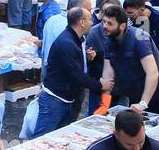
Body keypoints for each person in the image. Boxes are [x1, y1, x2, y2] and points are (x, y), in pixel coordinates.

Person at [94, 2, 159, 117]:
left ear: (122, 26)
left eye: (109, 23)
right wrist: (104, 105)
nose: (105, 26)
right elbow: (108, 77)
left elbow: (152, 73)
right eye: (104, 22)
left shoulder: (140, 37)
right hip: (136, 97)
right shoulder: (109, 41)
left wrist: (143, 103)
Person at [38, 7, 110, 137]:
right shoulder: (67, 43)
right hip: (55, 101)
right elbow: (77, 75)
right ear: (81, 22)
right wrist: (100, 85)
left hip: (66, 99)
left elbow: (71, 67)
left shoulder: (76, 39)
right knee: (42, 138)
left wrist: (87, 59)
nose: (92, 22)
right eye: (89, 19)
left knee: (58, 138)